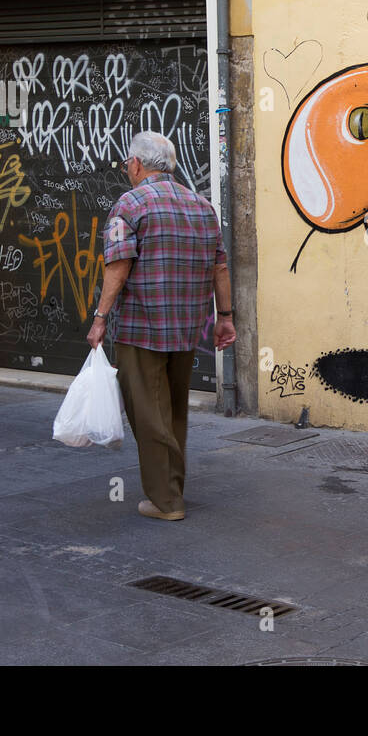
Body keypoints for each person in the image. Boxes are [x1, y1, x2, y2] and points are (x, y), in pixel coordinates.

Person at [87, 131, 236, 521]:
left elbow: (118, 265)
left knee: (148, 412)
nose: (126, 171)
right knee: (172, 411)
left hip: (143, 328)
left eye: (126, 165)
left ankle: (166, 500)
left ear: (136, 164)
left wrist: (100, 318)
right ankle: (172, 486)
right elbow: (220, 265)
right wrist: (225, 318)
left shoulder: (130, 203)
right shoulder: (202, 205)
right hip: (188, 328)